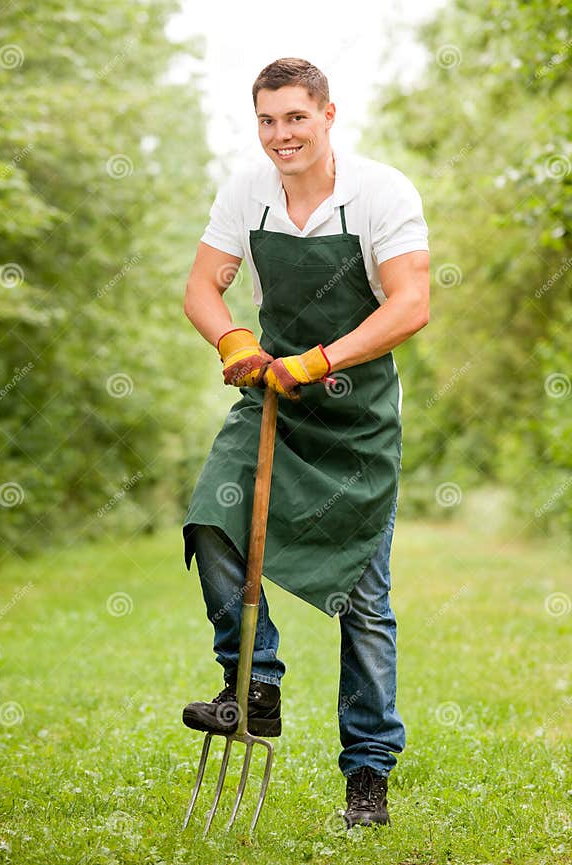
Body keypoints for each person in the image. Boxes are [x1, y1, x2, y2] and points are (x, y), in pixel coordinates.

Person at [181, 57, 430, 829]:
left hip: (355, 420)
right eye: (267, 120)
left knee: (364, 603)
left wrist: (319, 359)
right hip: (272, 406)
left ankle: (367, 775)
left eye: (295, 117)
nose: (280, 134)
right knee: (210, 519)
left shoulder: (382, 191)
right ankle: (252, 682)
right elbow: (201, 284)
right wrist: (233, 340)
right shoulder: (247, 192)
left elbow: (412, 301)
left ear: (327, 115)